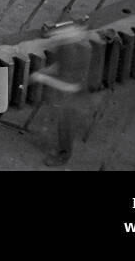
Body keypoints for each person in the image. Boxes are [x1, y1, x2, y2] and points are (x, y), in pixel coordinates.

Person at [28, 23, 92, 167]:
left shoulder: (81, 51)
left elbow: (71, 85)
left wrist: (42, 78)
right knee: (61, 121)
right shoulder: (66, 46)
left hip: (74, 96)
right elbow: (60, 66)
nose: (57, 37)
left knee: (66, 126)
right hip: (64, 94)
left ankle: (63, 155)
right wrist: (46, 71)